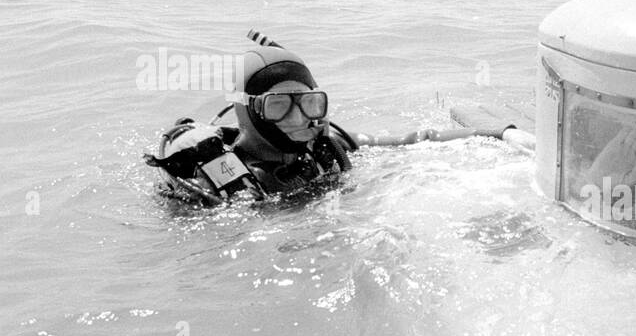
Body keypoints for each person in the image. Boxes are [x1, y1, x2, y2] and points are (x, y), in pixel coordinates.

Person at [146, 31, 494, 205]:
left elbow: (416, 139)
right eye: (279, 105)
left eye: (311, 103)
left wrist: (497, 132)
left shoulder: (325, 146)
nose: (299, 118)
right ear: (250, 111)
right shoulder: (226, 185)